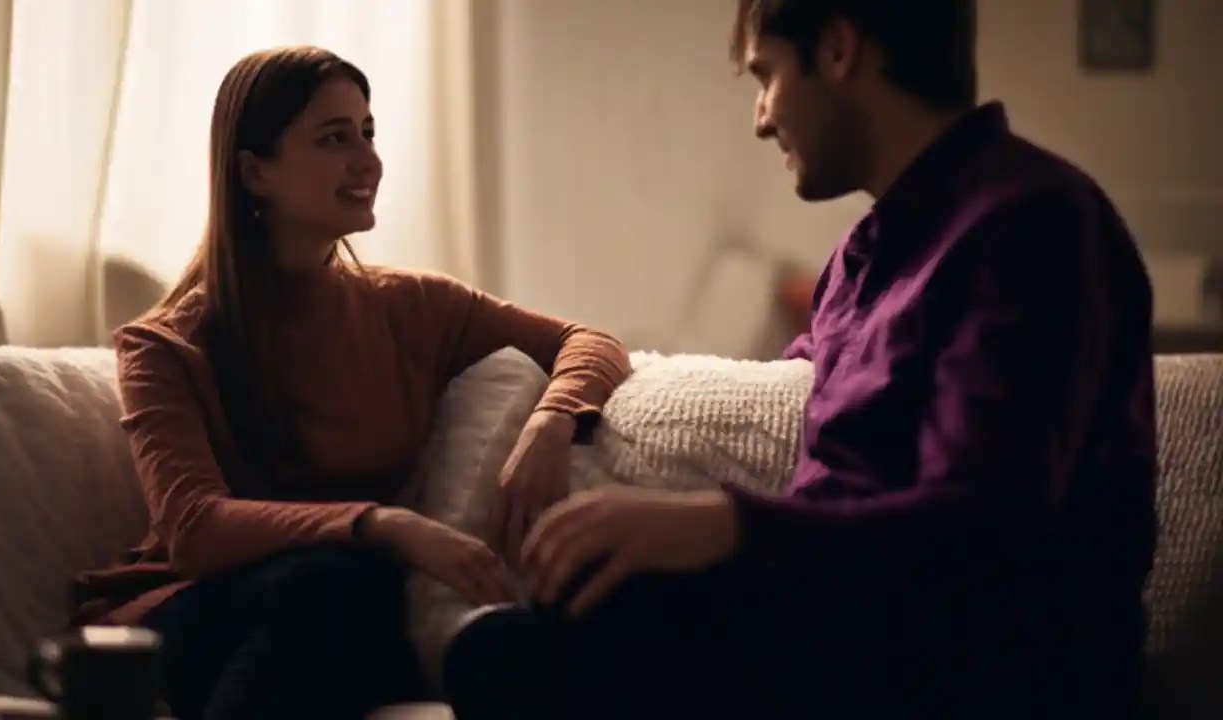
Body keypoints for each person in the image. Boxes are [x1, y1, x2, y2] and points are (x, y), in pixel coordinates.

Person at [443, 1, 1157, 718]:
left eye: (767, 75)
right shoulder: (859, 262)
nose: (761, 118)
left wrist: (721, 528)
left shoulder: (1032, 222)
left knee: (518, 660)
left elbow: (982, 528)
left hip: (984, 677)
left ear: (839, 49)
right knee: (518, 638)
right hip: (835, 649)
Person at [72, 46, 632, 720]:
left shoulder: (414, 306)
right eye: (335, 138)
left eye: (368, 132)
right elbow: (195, 527)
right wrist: (382, 525)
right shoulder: (165, 345)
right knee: (333, 587)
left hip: (351, 611)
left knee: (482, 641)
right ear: (253, 172)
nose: (369, 160)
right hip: (194, 614)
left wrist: (553, 420)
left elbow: (588, 341)